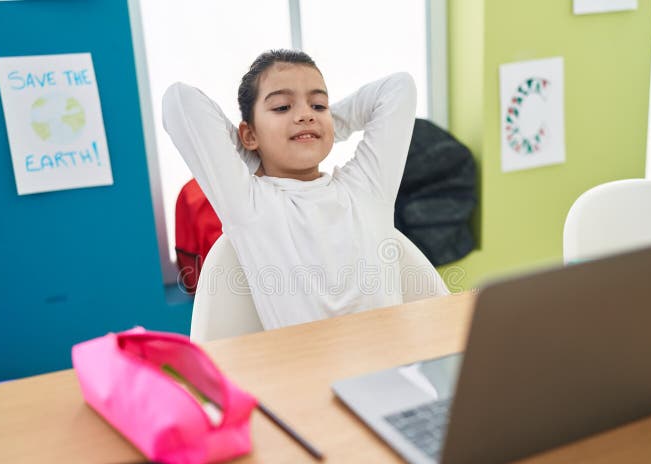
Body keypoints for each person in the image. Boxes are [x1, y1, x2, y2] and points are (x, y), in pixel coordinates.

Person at [162, 49, 447, 331]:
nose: (304, 115)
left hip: (393, 368)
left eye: (318, 106)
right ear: (248, 134)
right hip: (307, 372)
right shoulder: (248, 205)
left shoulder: (367, 188)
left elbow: (399, 88)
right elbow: (179, 101)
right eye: (282, 107)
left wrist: (324, 128)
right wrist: (253, 152)